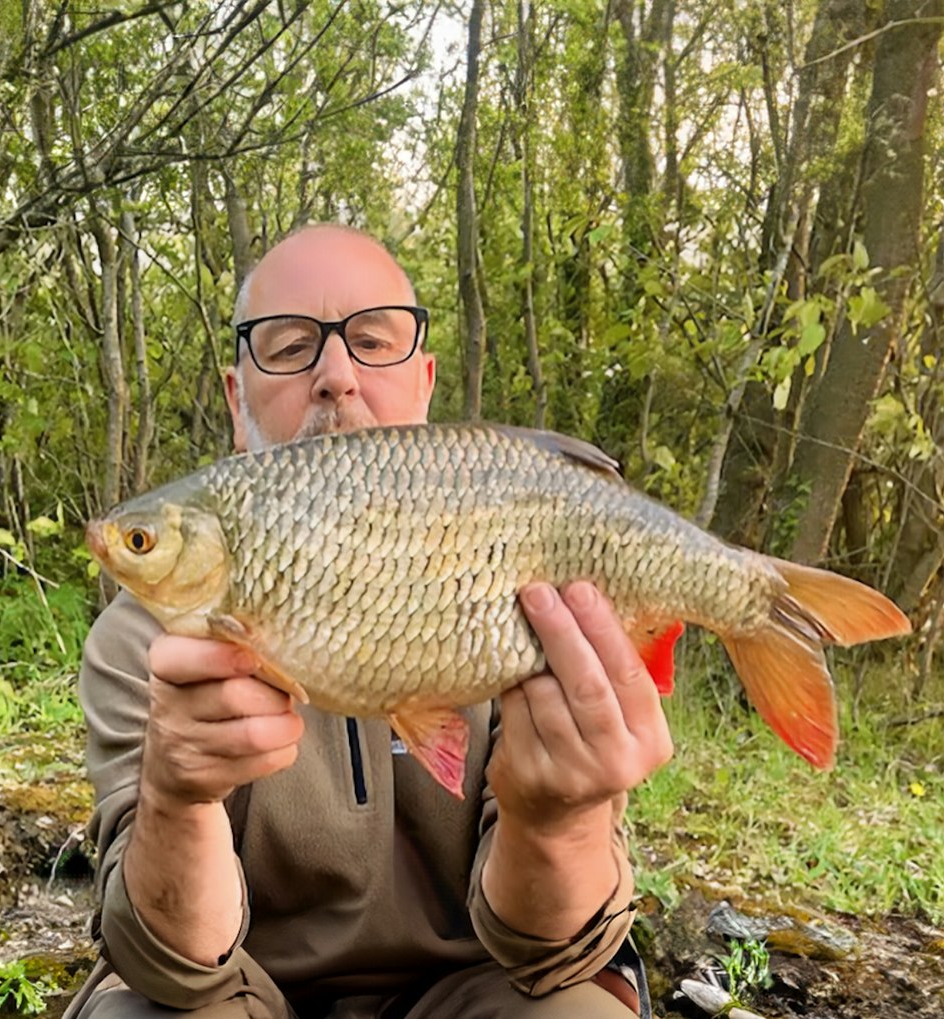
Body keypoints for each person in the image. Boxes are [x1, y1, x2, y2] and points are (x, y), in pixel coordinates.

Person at [64, 224, 674, 1019]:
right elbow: (167, 965)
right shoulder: (142, 640)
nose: (336, 377)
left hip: (481, 986)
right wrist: (175, 800)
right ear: (237, 399)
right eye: (290, 347)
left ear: (424, 382)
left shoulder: (524, 569)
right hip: (242, 993)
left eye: (373, 341)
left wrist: (557, 821)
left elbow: (553, 950)